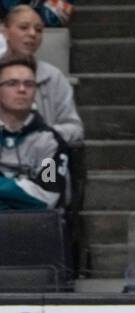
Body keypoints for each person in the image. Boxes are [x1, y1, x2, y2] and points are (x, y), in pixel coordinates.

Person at [1, 3, 80, 144]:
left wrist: (40, 135)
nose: (32, 34)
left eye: (38, 30)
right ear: (5, 32)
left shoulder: (53, 77)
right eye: (24, 27)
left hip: (43, 158)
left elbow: (74, 128)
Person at [0, 53, 68, 210]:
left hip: (30, 228)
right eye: (12, 83)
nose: (22, 89)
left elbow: (47, 194)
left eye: (29, 84)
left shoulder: (50, 142)